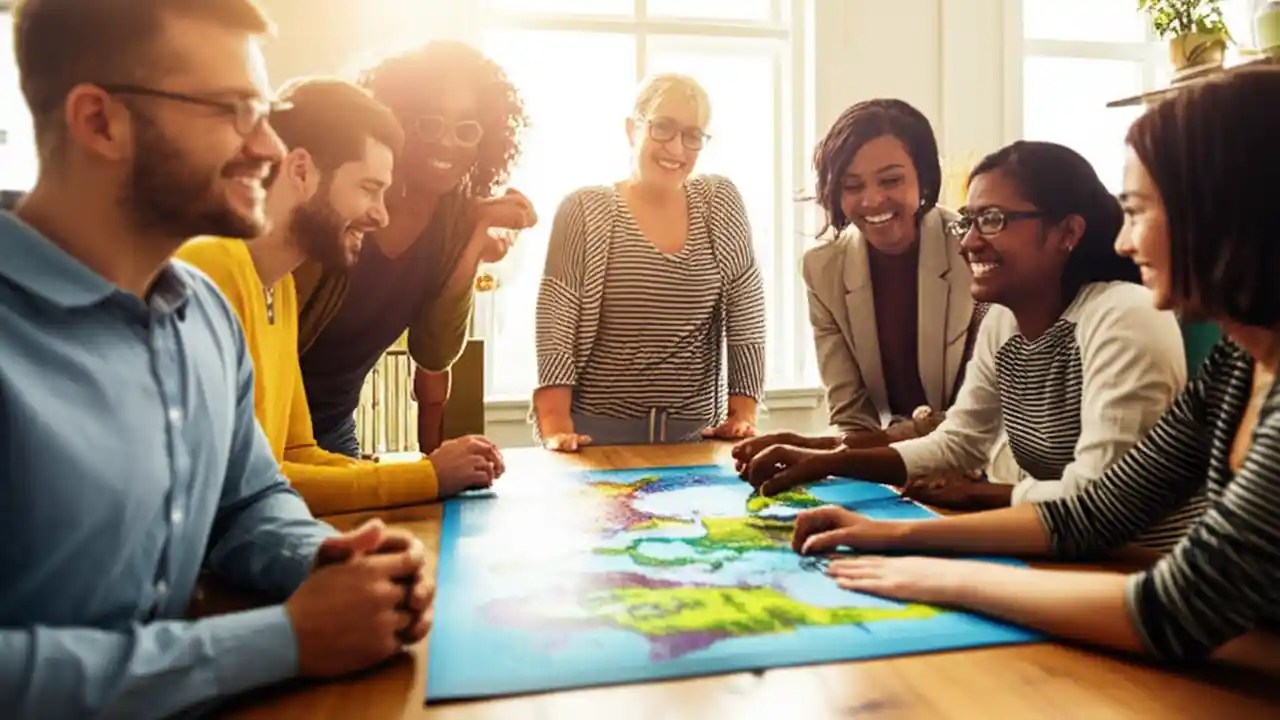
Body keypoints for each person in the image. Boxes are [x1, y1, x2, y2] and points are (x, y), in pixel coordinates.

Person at [1, 1, 431, 716]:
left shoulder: (202, 312)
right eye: (233, 112)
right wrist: (283, 641)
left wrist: (330, 561)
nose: (269, 147)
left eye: (262, 113)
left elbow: (246, 502)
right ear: (100, 122)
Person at [789, 66, 1280, 665]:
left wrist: (940, 575)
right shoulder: (1237, 363)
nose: (1124, 242)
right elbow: (1095, 511)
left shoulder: (1126, 317)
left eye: (1138, 212)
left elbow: (1175, 609)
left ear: (1226, 215)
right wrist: (894, 534)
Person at [746, 142, 1201, 543]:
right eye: (968, 221)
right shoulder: (1004, 322)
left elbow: (1096, 500)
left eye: (993, 220)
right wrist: (829, 459)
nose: (969, 242)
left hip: (1141, 563)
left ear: (1068, 232)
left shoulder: (1124, 316)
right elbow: (959, 442)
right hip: (1058, 548)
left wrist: (982, 494)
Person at [177, 78, 501, 516]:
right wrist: (427, 476)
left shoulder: (279, 286)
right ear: (300, 172)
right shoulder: (210, 267)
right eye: (369, 189)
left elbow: (296, 452)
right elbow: (237, 482)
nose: (381, 215)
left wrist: (424, 474)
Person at [295, 41, 534, 459]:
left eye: (466, 129)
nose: (447, 143)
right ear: (397, 122)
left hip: (333, 427)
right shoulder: (345, 202)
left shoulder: (453, 222)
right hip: (262, 420)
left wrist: (476, 234)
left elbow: (435, 351)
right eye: (429, 124)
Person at [733, 99, 990, 471]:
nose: (871, 200)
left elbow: (982, 415)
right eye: (852, 185)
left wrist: (825, 449)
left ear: (924, 178)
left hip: (986, 469)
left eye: (891, 180)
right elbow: (851, 416)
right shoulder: (823, 270)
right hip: (902, 472)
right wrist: (829, 453)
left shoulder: (976, 251)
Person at [532, 73, 766, 450]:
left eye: (692, 135)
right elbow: (556, 323)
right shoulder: (584, 210)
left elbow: (747, 309)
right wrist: (556, 425)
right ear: (632, 129)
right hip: (597, 438)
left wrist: (743, 413)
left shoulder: (718, 202)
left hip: (696, 438)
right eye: (663, 128)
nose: (676, 148)